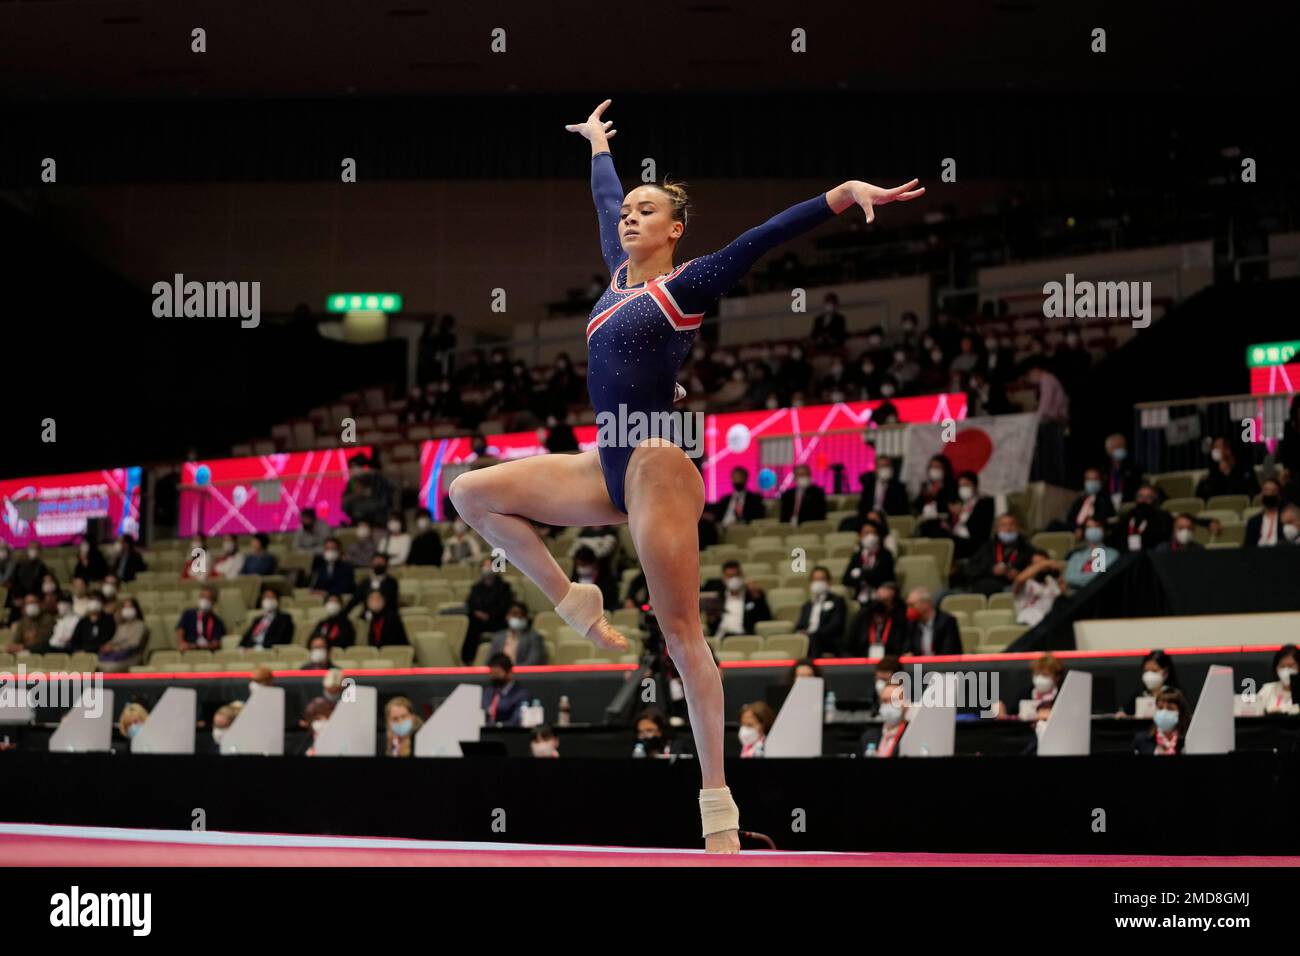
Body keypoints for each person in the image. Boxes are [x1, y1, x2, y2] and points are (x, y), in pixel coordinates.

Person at [449, 98, 923, 851]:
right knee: (469, 491)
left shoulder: (688, 284)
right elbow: (607, 199)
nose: (631, 218)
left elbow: (763, 238)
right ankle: (573, 599)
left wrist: (843, 195)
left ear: (675, 230)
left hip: (657, 460)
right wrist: (599, 146)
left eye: (648, 212)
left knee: (680, 634)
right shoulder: (616, 272)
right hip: (606, 461)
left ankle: (718, 811)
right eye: (629, 211)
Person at [919, 469, 994, 561]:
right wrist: (952, 518)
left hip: (970, 541)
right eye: (960, 486)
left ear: (975, 486)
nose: (963, 489)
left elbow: (979, 529)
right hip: (956, 535)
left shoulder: (984, 502)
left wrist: (962, 514)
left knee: (941, 538)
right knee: (928, 526)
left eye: (966, 485)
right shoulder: (963, 502)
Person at [966, 513, 1034, 595]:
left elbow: (1037, 569)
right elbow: (972, 569)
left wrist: (1020, 575)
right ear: (997, 529)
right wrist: (991, 570)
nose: (1008, 529)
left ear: (1018, 528)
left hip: (1017, 588)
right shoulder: (987, 547)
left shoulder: (1027, 548)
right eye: (1003, 525)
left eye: (1012, 525)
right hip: (990, 587)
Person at [464, 558, 514, 663]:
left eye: (489, 566)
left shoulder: (504, 587)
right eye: (484, 566)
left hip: (497, 620)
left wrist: (489, 615)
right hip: (478, 620)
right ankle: (469, 660)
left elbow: (505, 606)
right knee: (471, 624)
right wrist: (478, 613)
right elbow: (470, 604)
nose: (486, 569)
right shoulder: (476, 587)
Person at [703, 561, 772, 638]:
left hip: (744, 636)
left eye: (736, 575)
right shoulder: (718, 597)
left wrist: (757, 598)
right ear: (723, 578)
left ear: (741, 576)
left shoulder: (752, 596)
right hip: (721, 636)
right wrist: (711, 618)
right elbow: (712, 625)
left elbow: (766, 618)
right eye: (729, 576)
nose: (733, 579)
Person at [794, 566, 847, 657]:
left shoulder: (837, 601)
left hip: (828, 640)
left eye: (822, 579)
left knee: (814, 638)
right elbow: (800, 625)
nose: (818, 583)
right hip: (808, 639)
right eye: (815, 579)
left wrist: (814, 634)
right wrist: (800, 632)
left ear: (828, 582)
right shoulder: (807, 605)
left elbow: (836, 624)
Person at [845, 582, 907, 658]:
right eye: (878, 599)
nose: (879, 604)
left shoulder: (900, 621)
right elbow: (847, 647)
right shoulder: (861, 617)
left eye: (885, 601)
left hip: (890, 663)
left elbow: (903, 649)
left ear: (893, 604)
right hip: (862, 663)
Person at [841, 519, 896, 603]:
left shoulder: (885, 555)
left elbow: (887, 578)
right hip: (860, 598)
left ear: (878, 536)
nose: (870, 536)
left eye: (873, 533)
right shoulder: (857, 555)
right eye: (866, 533)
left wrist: (860, 574)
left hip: (880, 597)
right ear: (860, 537)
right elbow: (846, 579)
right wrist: (866, 576)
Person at [1011, 551, 1066, 628]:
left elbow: (1064, 592)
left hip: (1049, 624)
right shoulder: (1026, 583)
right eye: (1036, 564)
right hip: (1027, 624)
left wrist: (1057, 572)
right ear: (1029, 566)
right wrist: (1043, 564)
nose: (1041, 567)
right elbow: (1019, 580)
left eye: (1043, 564)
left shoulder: (1051, 582)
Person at [1110, 485, 1172, 553]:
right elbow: (1116, 536)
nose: (1143, 500)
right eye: (1140, 496)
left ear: (1155, 499)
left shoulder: (1162, 517)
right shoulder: (1129, 515)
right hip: (1126, 552)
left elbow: (1163, 537)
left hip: (1151, 553)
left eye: (1148, 497)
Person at [1195, 437, 1260, 500]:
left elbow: (1254, 491)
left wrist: (1228, 473)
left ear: (1227, 450)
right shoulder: (1214, 470)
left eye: (1216, 447)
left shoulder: (1245, 469)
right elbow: (1203, 496)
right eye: (1213, 448)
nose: (1214, 451)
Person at [903, 587, 962, 656]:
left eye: (911, 605)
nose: (909, 609)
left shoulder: (947, 622)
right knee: (914, 666)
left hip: (941, 664)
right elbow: (907, 650)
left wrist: (931, 664)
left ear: (925, 604)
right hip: (920, 665)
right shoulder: (912, 624)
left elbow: (949, 652)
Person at [1063, 517, 1120, 587]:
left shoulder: (1112, 554)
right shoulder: (1077, 556)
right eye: (1089, 527)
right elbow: (1069, 577)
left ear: (1104, 530)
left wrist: (1080, 578)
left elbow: (1101, 578)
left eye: (1097, 526)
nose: (1093, 530)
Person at [1062, 467, 1117, 539]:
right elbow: (1070, 518)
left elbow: (1102, 518)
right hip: (1075, 529)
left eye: (1094, 479)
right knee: (1054, 525)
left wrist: (1083, 528)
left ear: (1101, 481)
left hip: (1091, 529)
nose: (1091, 482)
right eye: (1088, 479)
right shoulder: (1080, 500)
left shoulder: (1104, 499)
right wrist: (1075, 529)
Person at [98, 596, 149, 672]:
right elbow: (114, 640)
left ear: (136, 609)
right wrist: (107, 646)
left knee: (109, 668)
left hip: (132, 656)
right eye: (125, 607)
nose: (127, 609)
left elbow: (134, 644)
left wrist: (115, 648)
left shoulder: (140, 625)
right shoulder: (121, 625)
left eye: (130, 606)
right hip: (117, 656)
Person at [1132, 689, 1189, 755]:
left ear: (1181, 712)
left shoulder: (1188, 740)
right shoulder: (1141, 740)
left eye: (1170, 708)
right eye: (1160, 708)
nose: (1164, 712)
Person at [860, 680, 909, 757]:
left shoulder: (911, 736)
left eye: (894, 700)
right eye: (885, 701)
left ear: (906, 704)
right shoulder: (868, 737)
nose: (889, 705)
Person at [1123, 650, 1178, 716]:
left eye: (1154, 670)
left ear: (1166, 672)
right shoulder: (1138, 695)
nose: (1149, 674)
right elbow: (1126, 714)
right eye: (1146, 671)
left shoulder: (1175, 696)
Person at [482, 653, 529, 727]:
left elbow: (516, 721)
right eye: (492, 673)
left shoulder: (521, 694)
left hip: (508, 735)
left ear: (509, 672)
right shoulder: (488, 692)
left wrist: (497, 726)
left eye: (498, 673)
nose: (494, 677)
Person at [175, 586, 226, 650]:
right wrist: (181, 644)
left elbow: (216, 644)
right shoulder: (188, 614)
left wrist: (196, 646)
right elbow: (180, 632)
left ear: (214, 601)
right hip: (187, 652)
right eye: (202, 597)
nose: (204, 600)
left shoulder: (218, 622)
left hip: (206, 653)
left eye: (208, 598)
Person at [570, 545, 618, 611]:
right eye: (578, 565)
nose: (581, 568)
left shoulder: (606, 580)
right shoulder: (574, 579)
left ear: (593, 563)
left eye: (584, 564)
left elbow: (611, 601)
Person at [1255, 644, 1299, 714]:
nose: (1286, 670)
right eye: (1282, 666)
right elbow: (1255, 713)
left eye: (1290, 666)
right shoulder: (1267, 689)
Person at [913, 455, 957, 520]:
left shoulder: (951, 486)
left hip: (943, 521)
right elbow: (917, 506)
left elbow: (950, 507)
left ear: (945, 469)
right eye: (932, 467)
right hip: (925, 520)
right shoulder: (925, 486)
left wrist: (938, 493)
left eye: (938, 467)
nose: (934, 470)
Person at [1103, 433, 1142, 506]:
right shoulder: (1104, 469)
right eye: (1117, 446)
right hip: (1108, 503)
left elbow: (1135, 489)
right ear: (1109, 450)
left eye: (1123, 446)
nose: (1121, 449)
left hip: (1128, 502)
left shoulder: (1134, 468)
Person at [1245, 479, 1285, 547]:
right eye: (1266, 490)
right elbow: (1247, 548)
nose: (1269, 494)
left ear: (1279, 496)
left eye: (1273, 491)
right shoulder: (1253, 521)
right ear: (1261, 495)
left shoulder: (1285, 520)